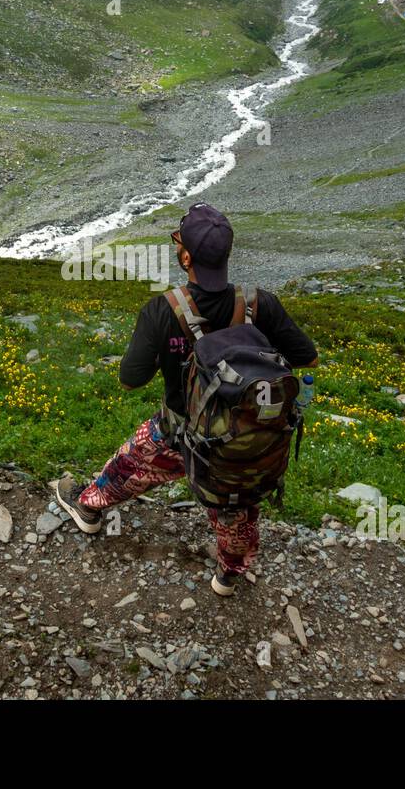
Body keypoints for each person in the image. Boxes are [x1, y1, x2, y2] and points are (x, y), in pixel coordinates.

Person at [52, 202, 318, 596]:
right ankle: (229, 573)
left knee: (129, 464)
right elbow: (307, 357)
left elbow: (130, 381)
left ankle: (89, 507)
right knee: (234, 503)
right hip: (241, 442)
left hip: (178, 432)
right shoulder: (263, 305)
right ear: (227, 254)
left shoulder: (162, 310)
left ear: (186, 256)